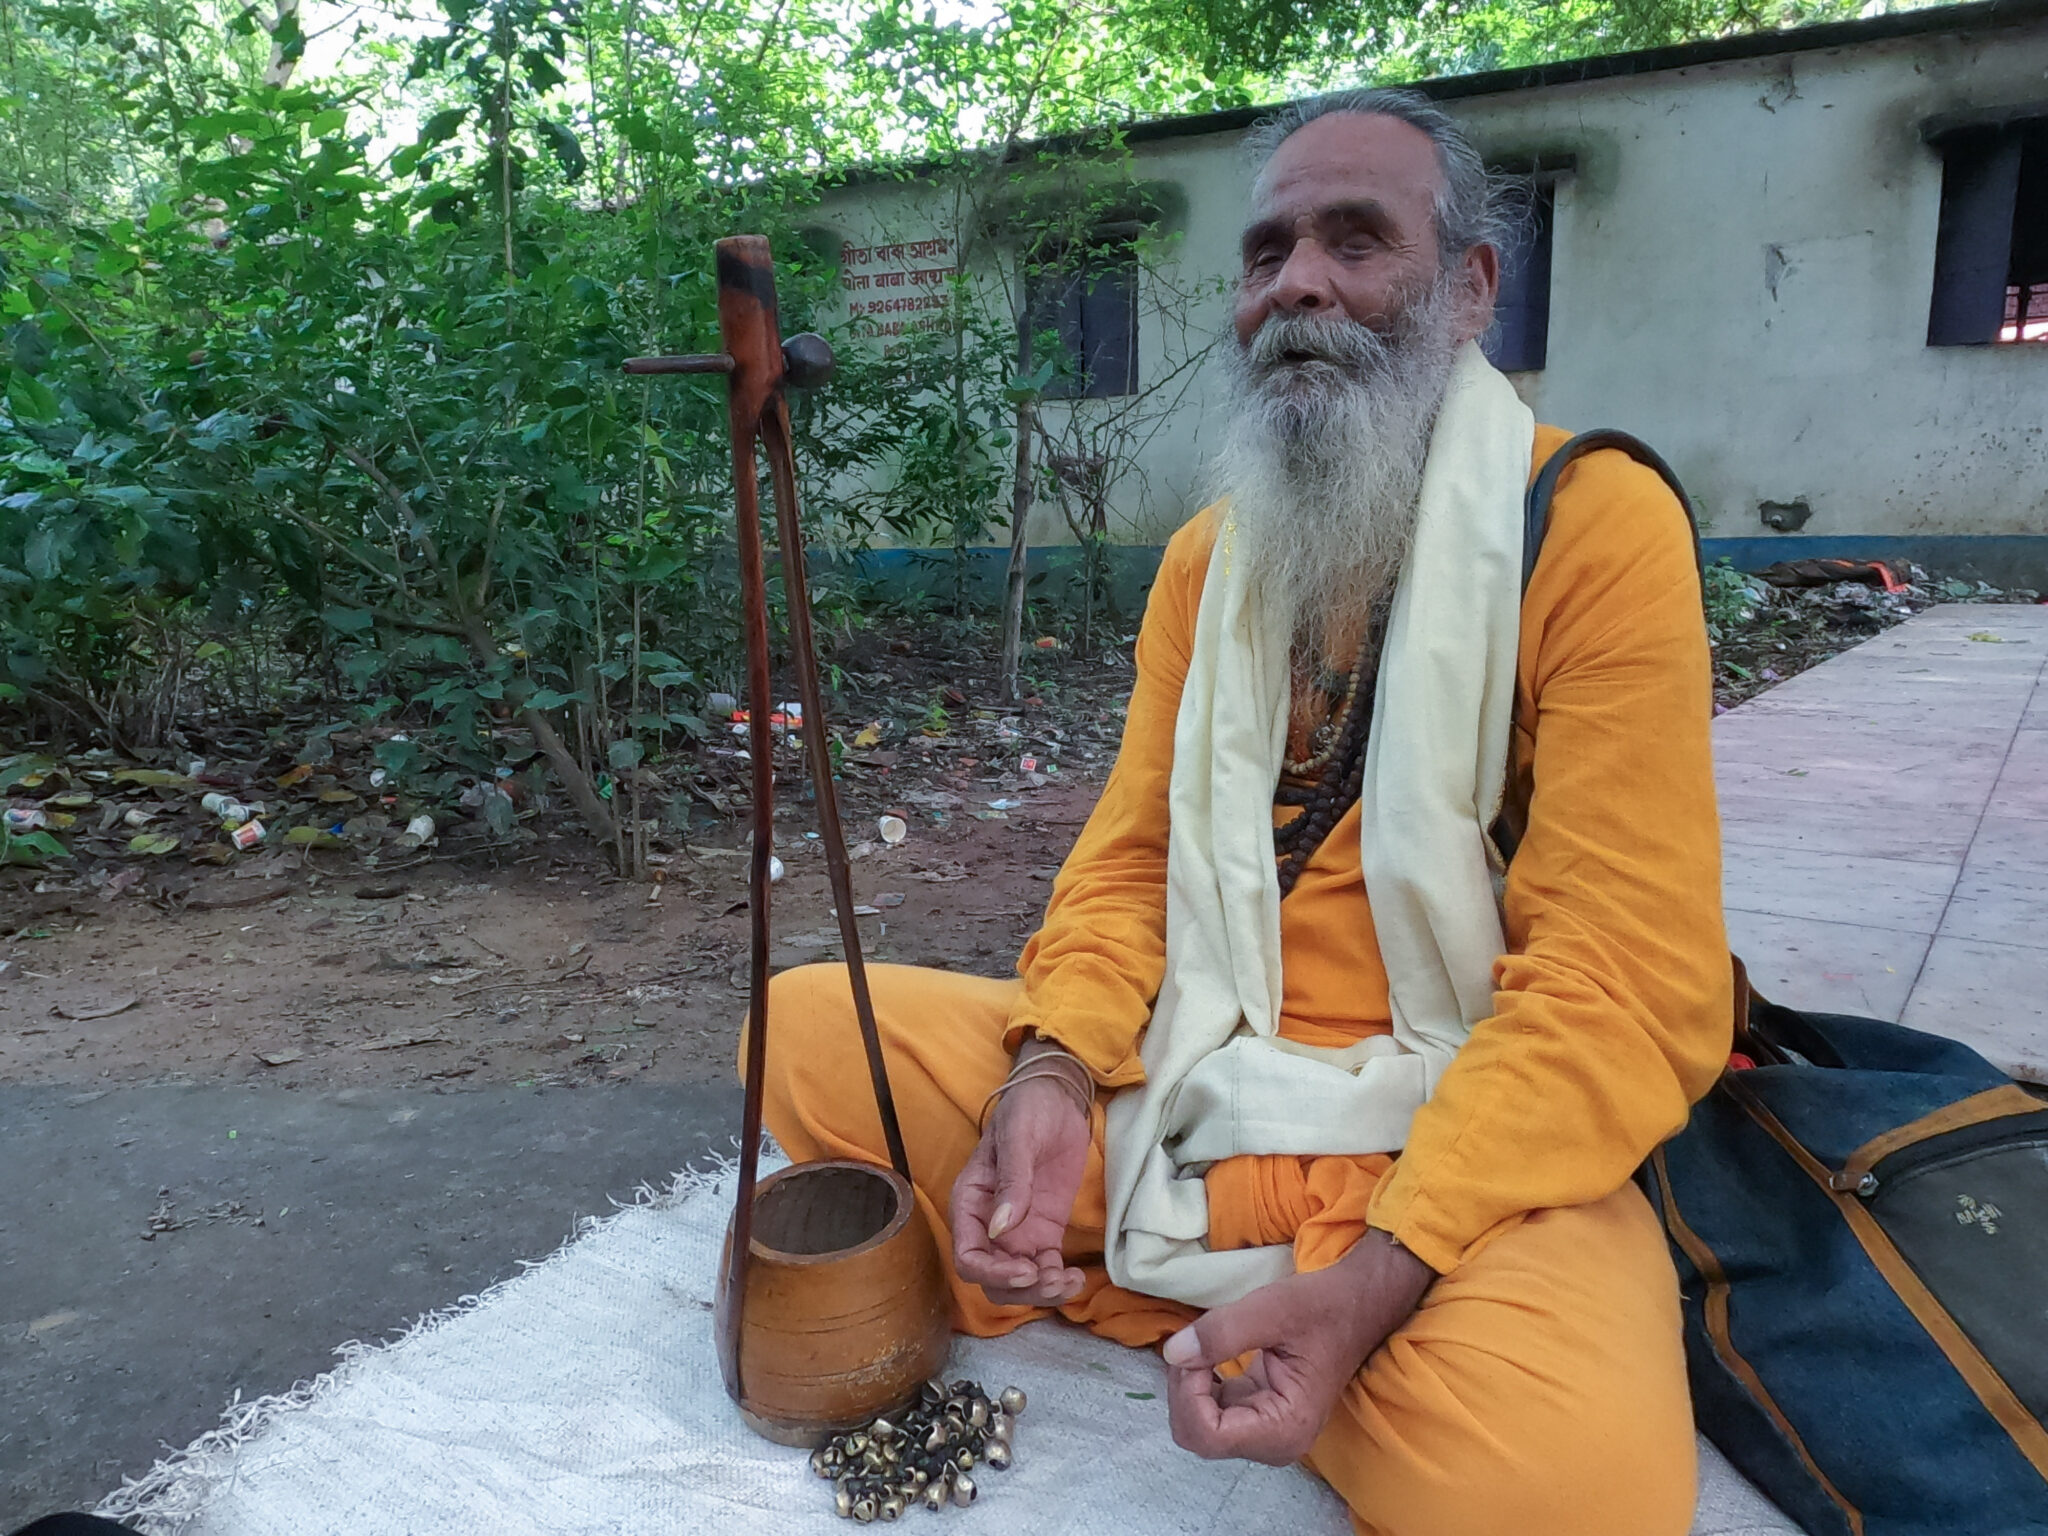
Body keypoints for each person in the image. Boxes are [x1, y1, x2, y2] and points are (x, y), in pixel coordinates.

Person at [753, 85, 1730, 1536]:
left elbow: (1620, 978)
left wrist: (1390, 1257)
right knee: (803, 1027)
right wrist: (1052, 1080)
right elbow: (1130, 862)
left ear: (1468, 291)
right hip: (1197, 1074)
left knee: (1574, 1497)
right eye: (1267, 253)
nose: (1300, 286)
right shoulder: (1211, 561)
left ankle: (1245, 1293)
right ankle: (1254, 1299)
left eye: (1357, 240)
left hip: (1451, 1119)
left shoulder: (1591, 524)